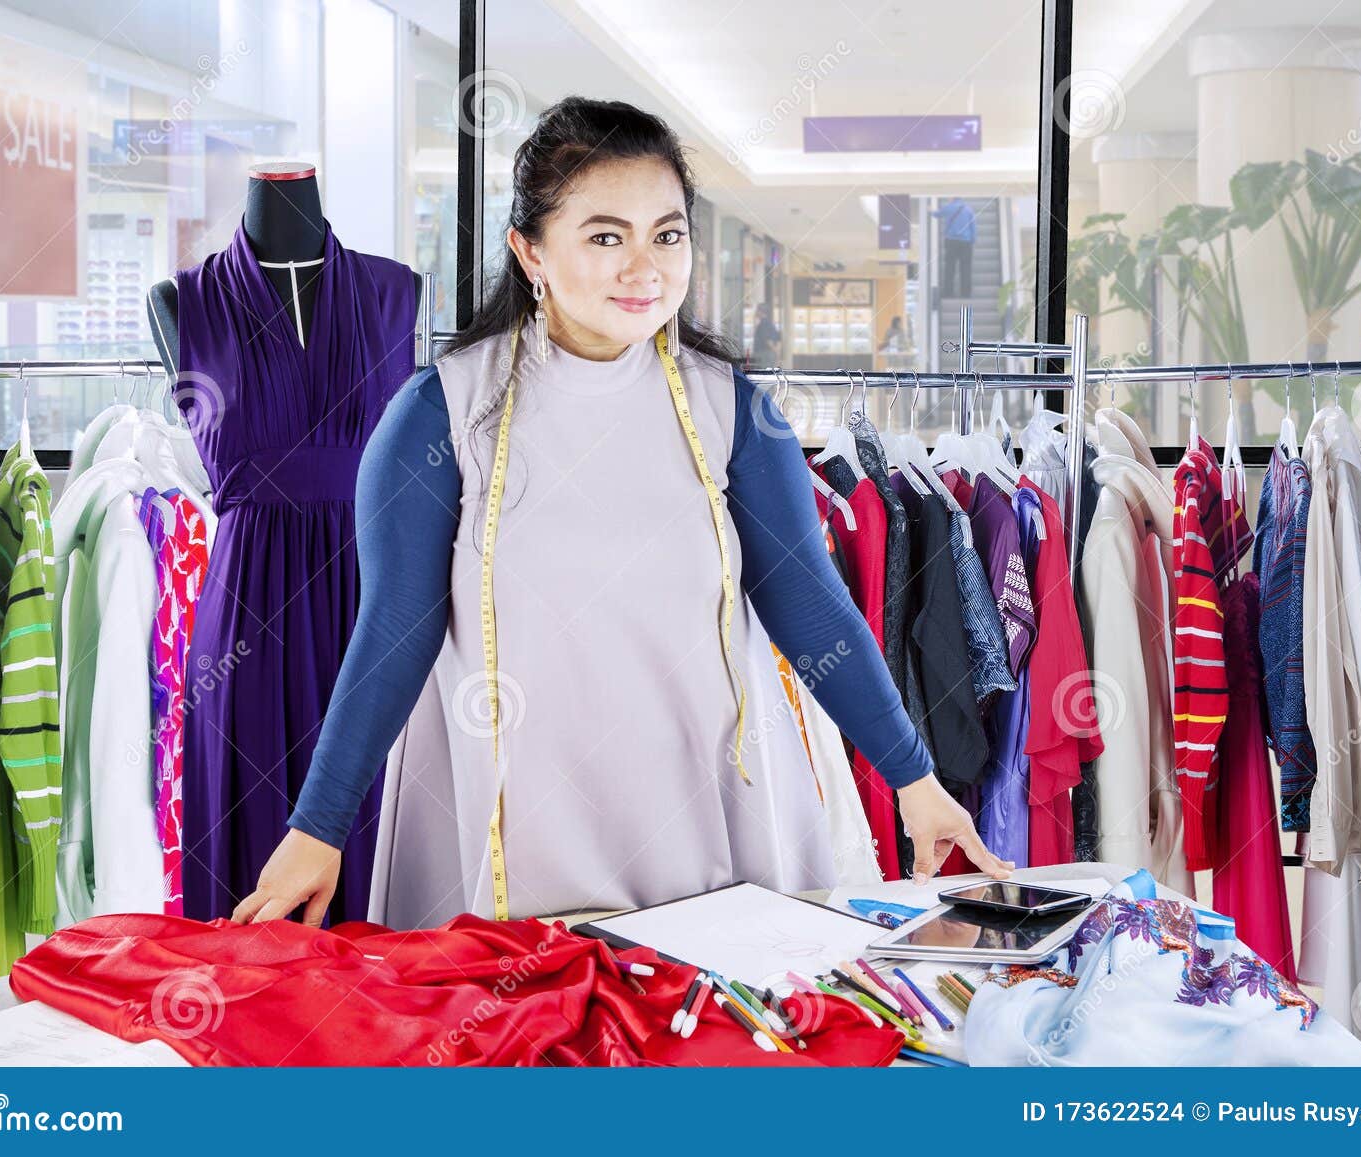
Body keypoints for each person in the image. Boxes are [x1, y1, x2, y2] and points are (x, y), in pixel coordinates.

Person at [233, 97, 1010, 928]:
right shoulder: (442, 415)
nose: (645, 268)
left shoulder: (734, 412)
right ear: (529, 251)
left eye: (667, 236)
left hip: (707, 814)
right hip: (516, 822)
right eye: (606, 237)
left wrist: (915, 779)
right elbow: (396, 629)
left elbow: (809, 605)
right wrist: (317, 826)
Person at [933, 196, 976, 299]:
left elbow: (937, 214)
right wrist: (972, 240)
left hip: (951, 241)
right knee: (966, 268)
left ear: (952, 198)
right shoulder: (969, 210)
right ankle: (966, 293)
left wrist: (929, 210)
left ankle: (948, 293)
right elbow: (973, 227)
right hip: (966, 242)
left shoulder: (949, 207)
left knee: (949, 268)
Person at [750, 302, 781, 366]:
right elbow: (777, 338)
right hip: (767, 354)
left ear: (761, 311)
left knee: (763, 371)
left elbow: (768, 340)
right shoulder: (769, 323)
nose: (756, 312)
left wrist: (776, 352)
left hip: (764, 355)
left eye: (757, 310)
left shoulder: (764, 324)